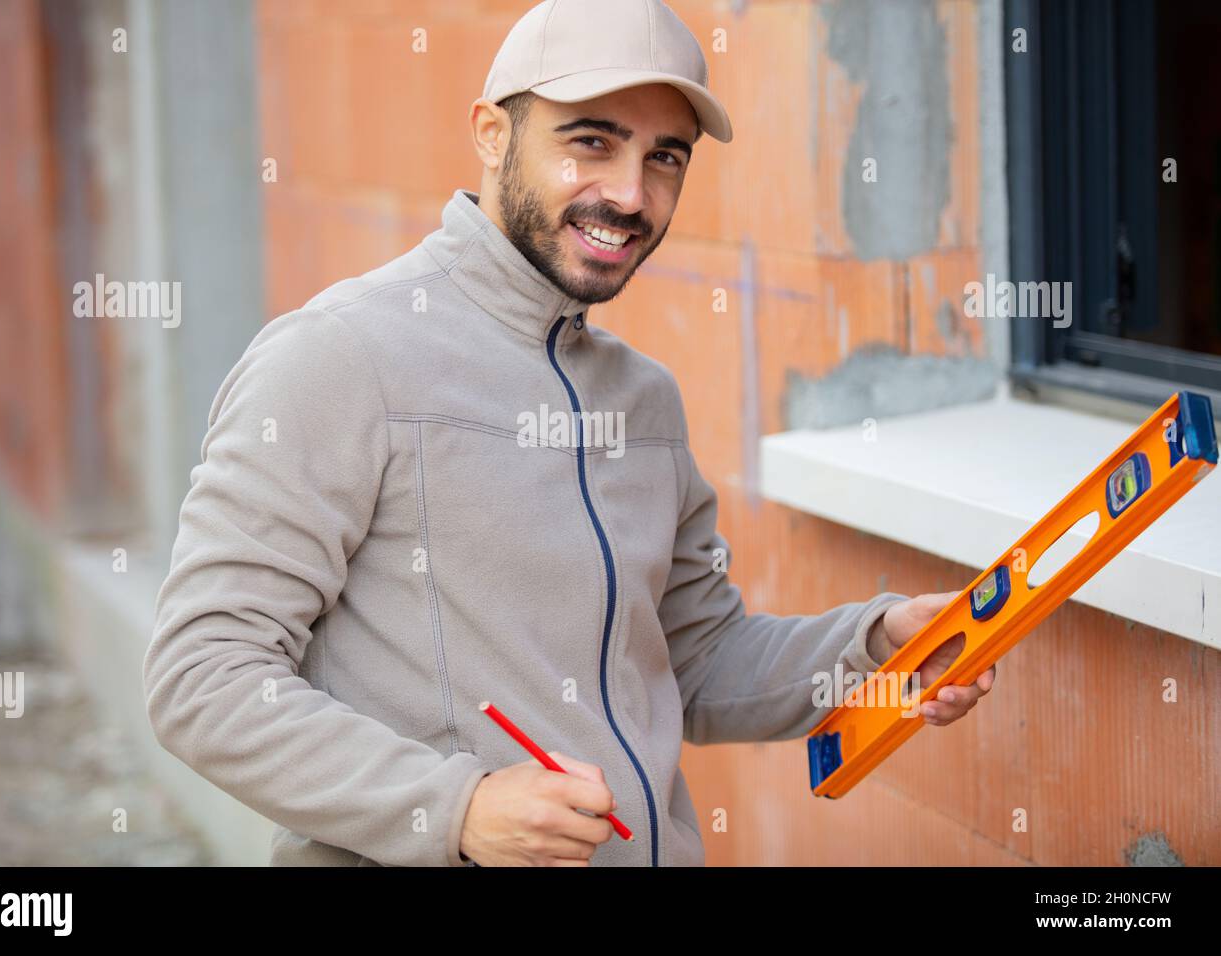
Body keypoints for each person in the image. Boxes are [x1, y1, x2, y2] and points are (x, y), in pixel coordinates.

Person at [142, 0, 994, 868]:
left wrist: (877, 647)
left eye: (665, 157)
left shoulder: (646, 402)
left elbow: (693, 662)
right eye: (592, 140)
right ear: (491, 133)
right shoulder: (339, 357)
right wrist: (456, 809)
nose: (630, 195)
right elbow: (203, 677)